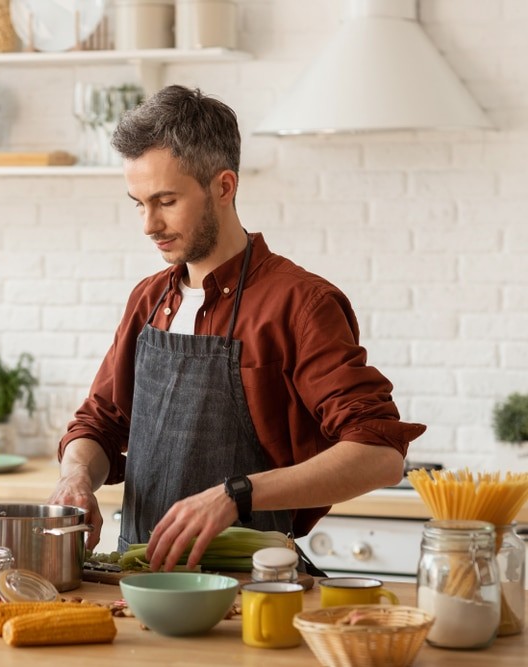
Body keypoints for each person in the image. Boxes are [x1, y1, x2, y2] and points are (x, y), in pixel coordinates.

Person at [49, 86, 426, 573]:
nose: (149, 224)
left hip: (252, 591)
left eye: (166, 200)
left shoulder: (299, 304)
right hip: (140, 584)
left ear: (224, 187)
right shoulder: (150, 299)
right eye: (138, 203)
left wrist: (236, 495)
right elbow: (99, 424)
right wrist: (76, 475)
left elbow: (380, 454)